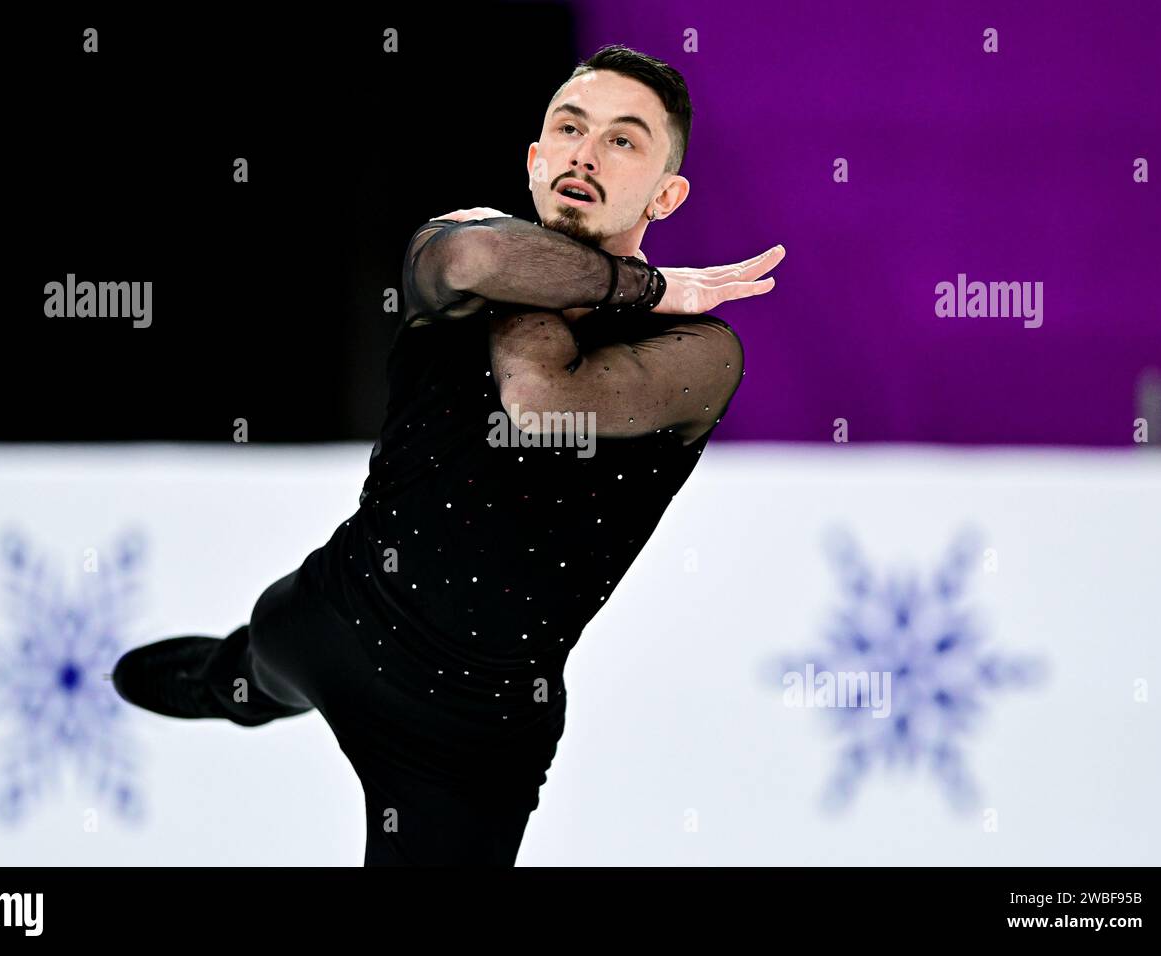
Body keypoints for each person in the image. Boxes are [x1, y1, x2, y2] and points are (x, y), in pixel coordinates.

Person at [111, 44, 784, 865]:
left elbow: (538, 400)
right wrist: (643, 281)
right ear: (534, 161)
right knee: (256, 668)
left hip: (471, 732)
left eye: (623, 140)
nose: (584, 151)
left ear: (667, 193)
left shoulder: (698, 348)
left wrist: (616, 290)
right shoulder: (463, 244)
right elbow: (475, 259)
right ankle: (226, 685)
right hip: (341, 614)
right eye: (569, 128)